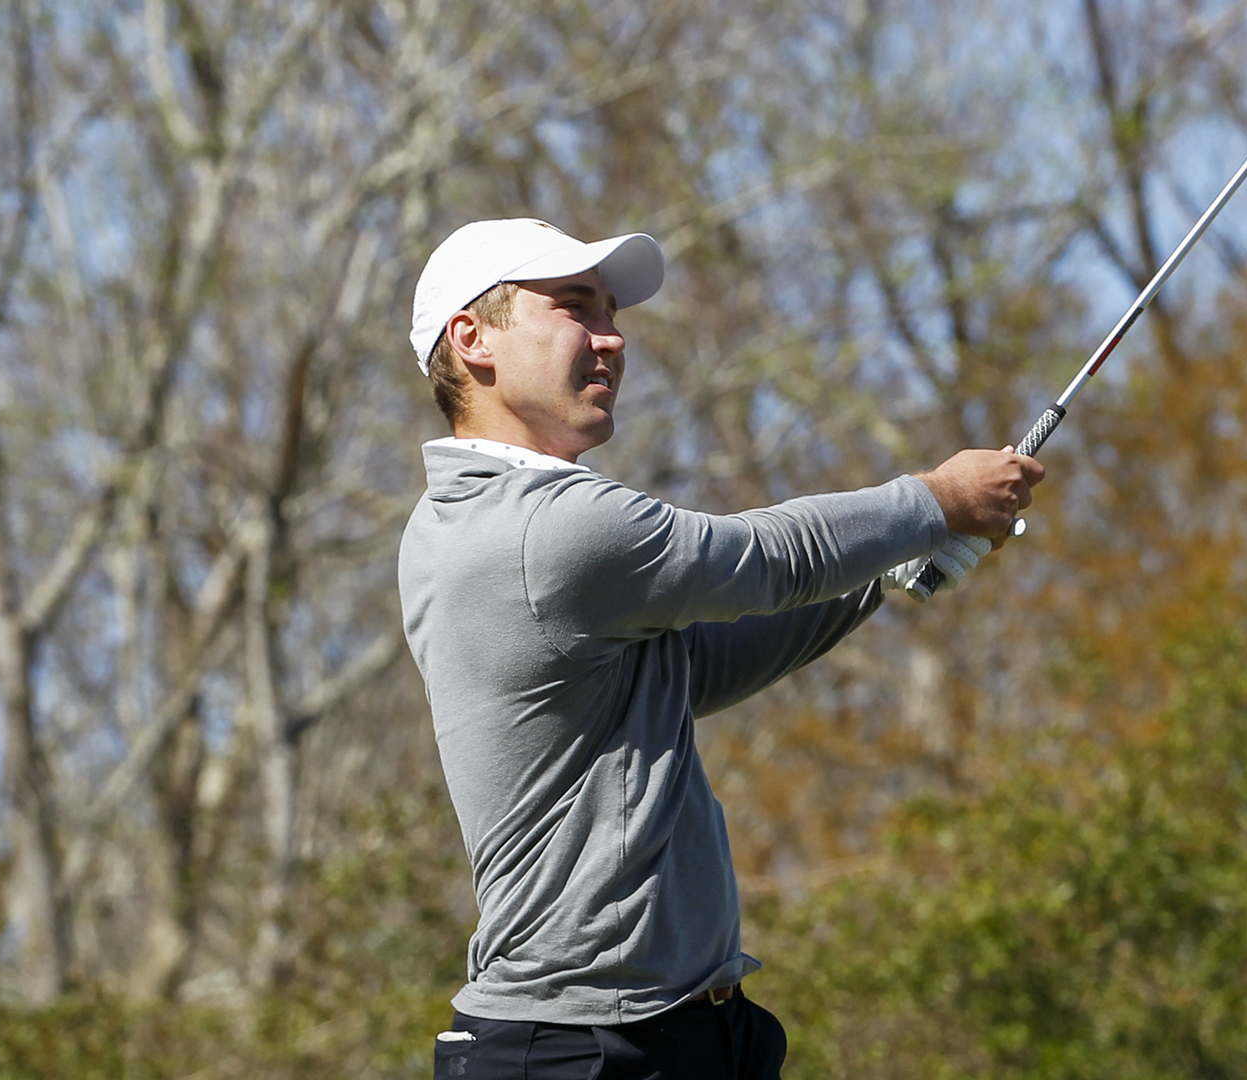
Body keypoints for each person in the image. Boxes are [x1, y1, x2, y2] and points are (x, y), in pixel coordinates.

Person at [397, 218, 1043, 1079]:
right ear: (472, 340)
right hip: (578, 1051)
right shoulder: (542, 530)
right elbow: (762, 560)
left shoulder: (496, 524)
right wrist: (935, 501)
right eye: (574, 308)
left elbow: (699, 662)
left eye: (613, 312)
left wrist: (888, 569)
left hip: (676, 1033)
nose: (611, 338)